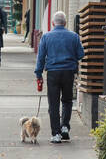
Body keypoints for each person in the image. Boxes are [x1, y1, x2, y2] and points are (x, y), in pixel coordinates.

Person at [34, 10, 84, 143]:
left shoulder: (46, 37)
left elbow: (41, 57)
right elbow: (81, 54)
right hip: (68, 72)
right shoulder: (73, 36)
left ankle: (56, 134)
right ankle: (65, 127)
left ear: (52, 23)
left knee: (53, 103)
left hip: (53, 73)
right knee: (67, 101)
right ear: (65, 23)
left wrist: (38, 74)